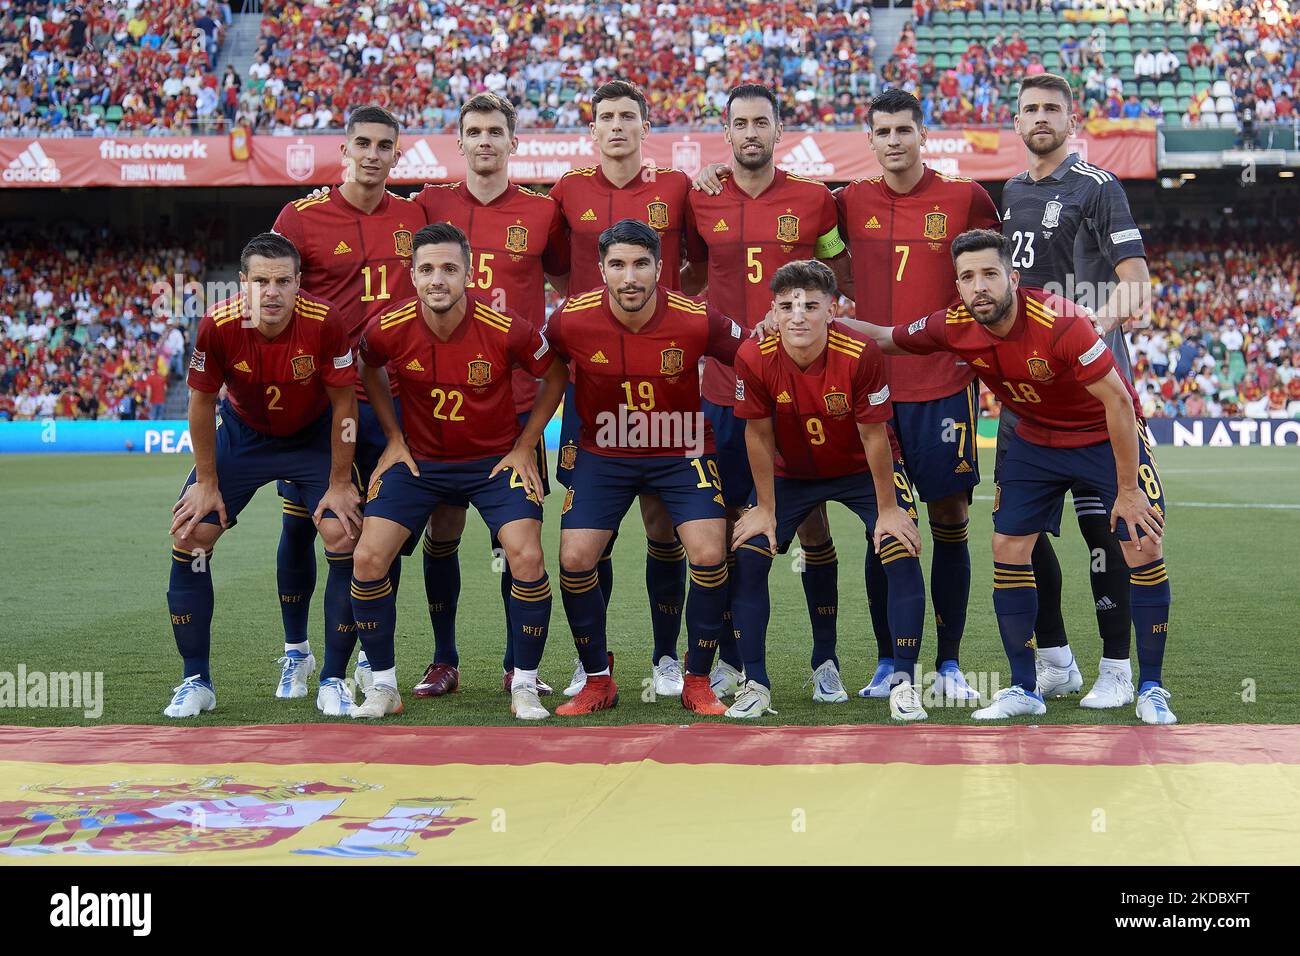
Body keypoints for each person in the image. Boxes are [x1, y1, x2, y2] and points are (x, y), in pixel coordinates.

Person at [863, 229, 1177, 725]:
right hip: (1035, 441)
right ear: (958, 286)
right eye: (967, 277)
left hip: (1101, 433)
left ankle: (1152, 688)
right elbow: (885, 338)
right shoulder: (954, 324)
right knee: (1008, 548)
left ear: (1012, 277)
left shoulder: (1061, 320)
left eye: (989, 274)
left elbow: (1117, 401)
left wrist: (1129, 491)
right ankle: (1024, 687)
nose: (978, 286)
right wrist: (818, 322)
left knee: (1141, 542)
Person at [683, 83, 854, 703]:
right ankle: (731, 657)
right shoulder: (697, 198)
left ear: (778, 130)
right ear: (724, 133)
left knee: (811, 524)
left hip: (805, 387)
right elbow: (687, 272)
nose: (750, 133)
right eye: (739, 124)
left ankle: (825, 657)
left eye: (761, 123)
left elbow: (840, 272)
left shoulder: (814, 201)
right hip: (725, 386)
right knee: (733, 522)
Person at [349, 223, 561, 720]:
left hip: (493, 462)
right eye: (426, 269)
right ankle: (383, 686)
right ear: (413, 275)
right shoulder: (388, 326)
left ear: (469, 272)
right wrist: (394, 437)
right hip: (420, 462)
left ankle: (525, 684)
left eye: (448, 268)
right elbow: (368, 366)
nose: (437, 279)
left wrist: (527, 445)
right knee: (367, 558)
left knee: (526, 555)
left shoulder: (507, 328)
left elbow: (554, 374)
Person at [538, 219, 745, 717]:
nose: (629, 276)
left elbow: (754, 358)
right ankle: (597, 679)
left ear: (658, 269)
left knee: (709, 552)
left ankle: (697, 679)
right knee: (575, 558)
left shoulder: (697, 318)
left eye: (639, 264)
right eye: (617, 265)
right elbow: (548, 367)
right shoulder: (571, 319)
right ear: (601, 270)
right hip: (605, 449)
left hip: (680, 447)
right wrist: (529, 439)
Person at [834, 88, 1000, 700]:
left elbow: (993, 277)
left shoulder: (966, 198)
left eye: (905, 129)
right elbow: (815, 253)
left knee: (949, 517)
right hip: (872, 392)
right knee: (883, 525)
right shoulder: (848, 202)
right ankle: (888, 661)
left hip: (944, 386)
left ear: (923, 134)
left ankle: (950, 664)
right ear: (870, 140)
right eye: (883, 131)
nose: (895, 140)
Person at [1001, 73, 1153, 709]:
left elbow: (1136, 283)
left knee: (1106, 531)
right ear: (1017, 121)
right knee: (1021, 534)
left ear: (1071, 119)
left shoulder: (1099, 187)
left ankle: (1116, 669)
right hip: (1027, 393)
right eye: (1030, 109)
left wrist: (1087, 326)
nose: (1040, 118)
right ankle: (1057, 660)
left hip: (1091, 386)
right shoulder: (1009, 191)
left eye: (1051, 110)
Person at [164, 233, 362, 718]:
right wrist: (207, 483)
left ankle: (333, 678)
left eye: (282, 281)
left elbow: (344, 404)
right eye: (260, 282)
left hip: (310, 437)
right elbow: (201, 401)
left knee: (342, 532)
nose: (271, 292)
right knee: (194, 535)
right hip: (245, 434)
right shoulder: (219, 324)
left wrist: (340, 482)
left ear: (298, 284)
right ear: (242, 284)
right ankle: (196, 680)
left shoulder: (325, 322)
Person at [412, 92, 569, 698]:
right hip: (439, 401)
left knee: (518, 537)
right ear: (459, 141)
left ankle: (516, 664)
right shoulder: (429, 204)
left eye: (495, 131)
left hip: (516, 403)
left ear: (513, 142)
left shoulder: (541, 212)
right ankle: (443, 659)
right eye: (473, 131)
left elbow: (562, 276)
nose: (484, 141)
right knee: (443, 527)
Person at [270, 105, 425, 704]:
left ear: (396, 154)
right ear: (344, 148)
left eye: (384, 145)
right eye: (362, 142)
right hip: (323, 400)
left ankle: (362, 655)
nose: (372, 153)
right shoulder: (300, 216)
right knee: (302, 526)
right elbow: (271, 292)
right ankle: (296, 651)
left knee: (378, 533)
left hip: (393, 398)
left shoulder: (415, 215)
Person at [546, 80, 694, 700]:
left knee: (664, 522)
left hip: (665, 380)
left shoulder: (679, 187)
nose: (615, 126)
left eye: (626, 116)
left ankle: (666, 657)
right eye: (604, 116)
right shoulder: (567, 191)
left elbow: (703, 259)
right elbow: (554, 267)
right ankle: (593, 661)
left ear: (643, 125)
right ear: (592, 128)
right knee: (590, 527)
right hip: (593, 381)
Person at [729, 260, 926, 721]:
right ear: (774, 312)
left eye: (810, 306)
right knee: (751, 550)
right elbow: (757, 435)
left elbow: (874, 436)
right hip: (791, 471)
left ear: (832, 310)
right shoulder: (753, 355)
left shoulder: (859, 352)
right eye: (786, 307)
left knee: (899, 546)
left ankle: (903, 682)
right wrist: (765, 509)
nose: (798, 316)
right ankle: (756, 681)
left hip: (861, 466)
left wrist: (887, 510)